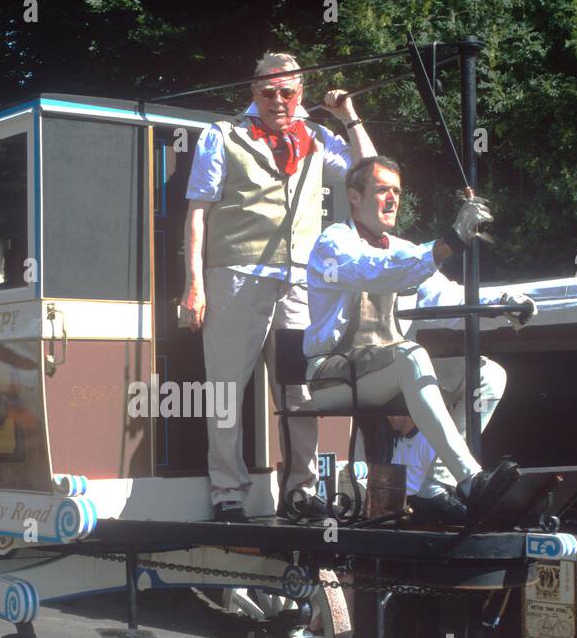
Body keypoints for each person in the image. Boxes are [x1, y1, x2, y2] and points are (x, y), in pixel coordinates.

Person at [182, 52, 376, 523]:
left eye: (287, 92)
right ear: (253, 92)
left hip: (298, 281)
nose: (278, 101)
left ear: (300, 93)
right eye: (268, 91)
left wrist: (348, 116)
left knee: (300, 391)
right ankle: (227, 491)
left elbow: (371, 175)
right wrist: (193, 283)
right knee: (226, 388)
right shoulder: (222, 136)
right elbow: (198, 212)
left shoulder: (316, 138)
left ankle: (300, 491)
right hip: (234, 278)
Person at [303, 155, 536, 525]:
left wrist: (501, 304)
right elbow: (375, 273)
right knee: (411, 354)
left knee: (488, 375)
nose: (392, 199)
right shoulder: (333, 243)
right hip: (332, 377)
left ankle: (435, 484)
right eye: (382, 190)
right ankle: (471, 478)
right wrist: (453, 240)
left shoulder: (400, 248)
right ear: (353, 196)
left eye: (396, 190)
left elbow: (449, 299)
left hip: (387, 372)